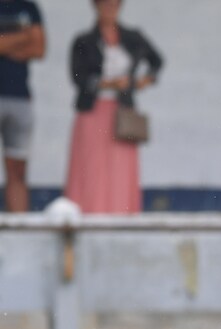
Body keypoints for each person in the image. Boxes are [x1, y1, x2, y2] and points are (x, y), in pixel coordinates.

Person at [65, 0, 162, 215]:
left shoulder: (132, 37)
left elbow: (157, 61)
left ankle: (122, 213)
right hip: (92, 110)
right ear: (96, 6)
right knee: (91, 166)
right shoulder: (84, 41)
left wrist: (143, 81)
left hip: (122, 110)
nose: (109, 9)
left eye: (113, 4)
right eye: (104, 4)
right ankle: (88, 213)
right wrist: (107, 83)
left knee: (121, 166)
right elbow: (77, 77)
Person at [0, 0, 42, 213]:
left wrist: (4, 44)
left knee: (17, 171)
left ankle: (19, 233)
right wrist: (23, 37)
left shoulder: (28, 7)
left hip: (19, 99)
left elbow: (39, 48)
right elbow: (31, 42)